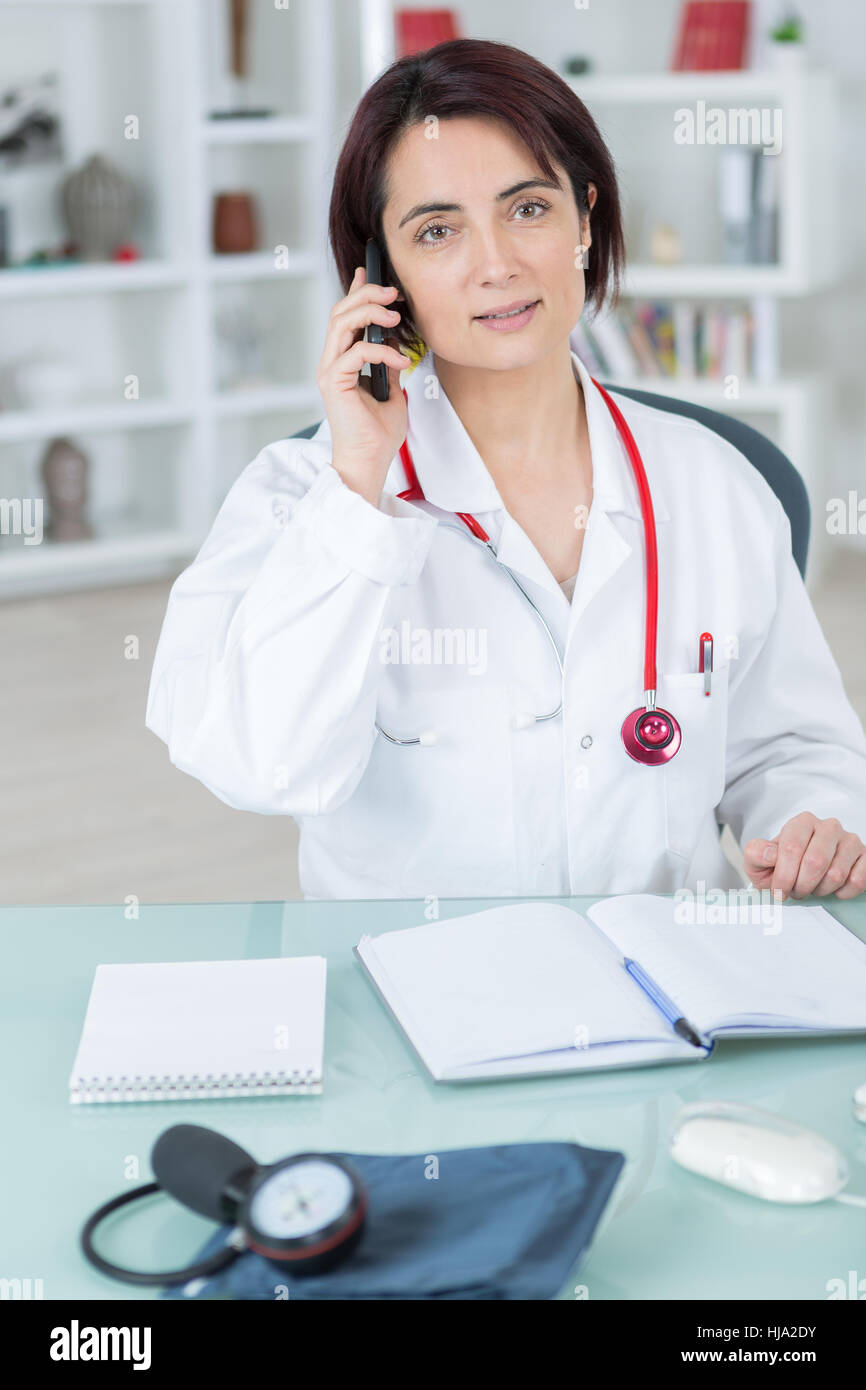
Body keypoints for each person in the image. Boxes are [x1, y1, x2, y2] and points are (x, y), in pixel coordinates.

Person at [145, 38, 866, 903]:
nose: (497, 264)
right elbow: (260, 764)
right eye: (437, 230)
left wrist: (810, 825)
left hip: (674, 991)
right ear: (383, 275)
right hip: (416, 992)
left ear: (585, 219)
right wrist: (359, 486)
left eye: (528, 209)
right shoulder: (300, 497)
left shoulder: (714, 484)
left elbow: (793, 750)